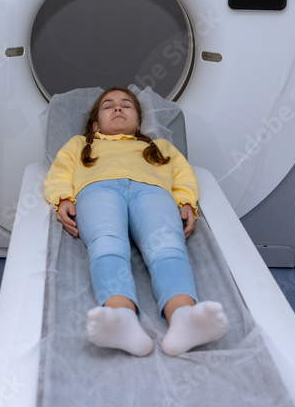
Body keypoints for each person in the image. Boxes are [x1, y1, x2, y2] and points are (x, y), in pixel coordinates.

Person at [44, 87, 229, 357]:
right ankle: (121, 318)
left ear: (139, 123)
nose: (118, 108)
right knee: (107, 243)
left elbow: (183, 175)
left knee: (166, 243)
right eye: (108, 106)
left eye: (126, 105)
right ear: (96, 124)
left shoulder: (159, 147)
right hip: (97, 190)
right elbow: (59, 173)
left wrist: (186, 202)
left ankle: (184, 316)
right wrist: (62, 199)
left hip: (152, 191)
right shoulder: (80, 145)